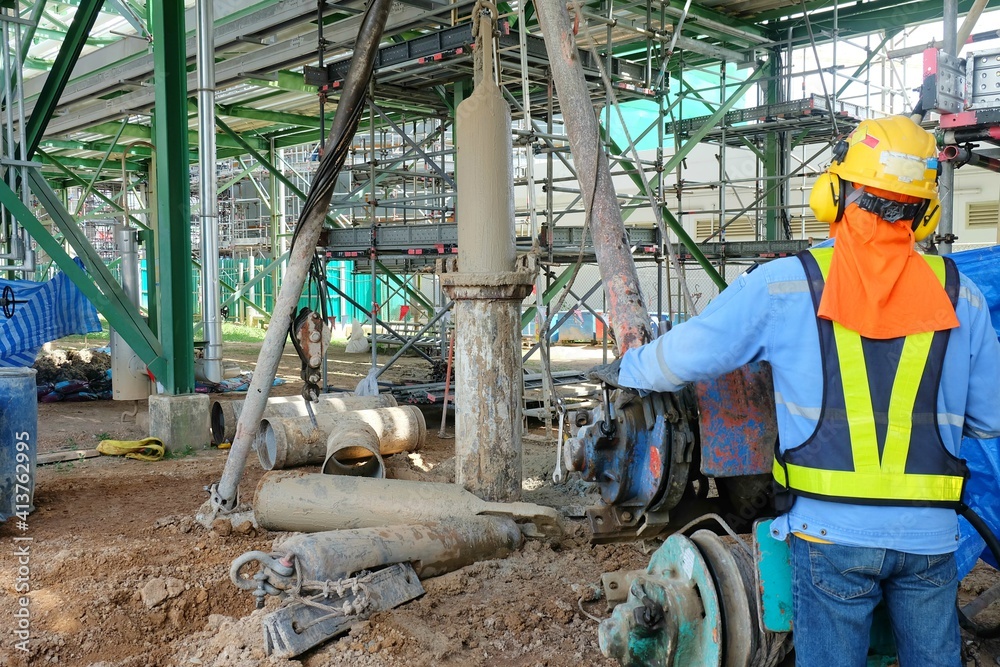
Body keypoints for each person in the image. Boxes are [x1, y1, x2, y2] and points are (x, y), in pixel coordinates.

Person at [602, 116, 1000, 666]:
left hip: (827, 535)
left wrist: (630, 367)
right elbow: (989, 421)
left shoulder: (788, 285)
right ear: (925, 209)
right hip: (928, 537)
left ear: (835, 193)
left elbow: (689, 355)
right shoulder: (964, 296)